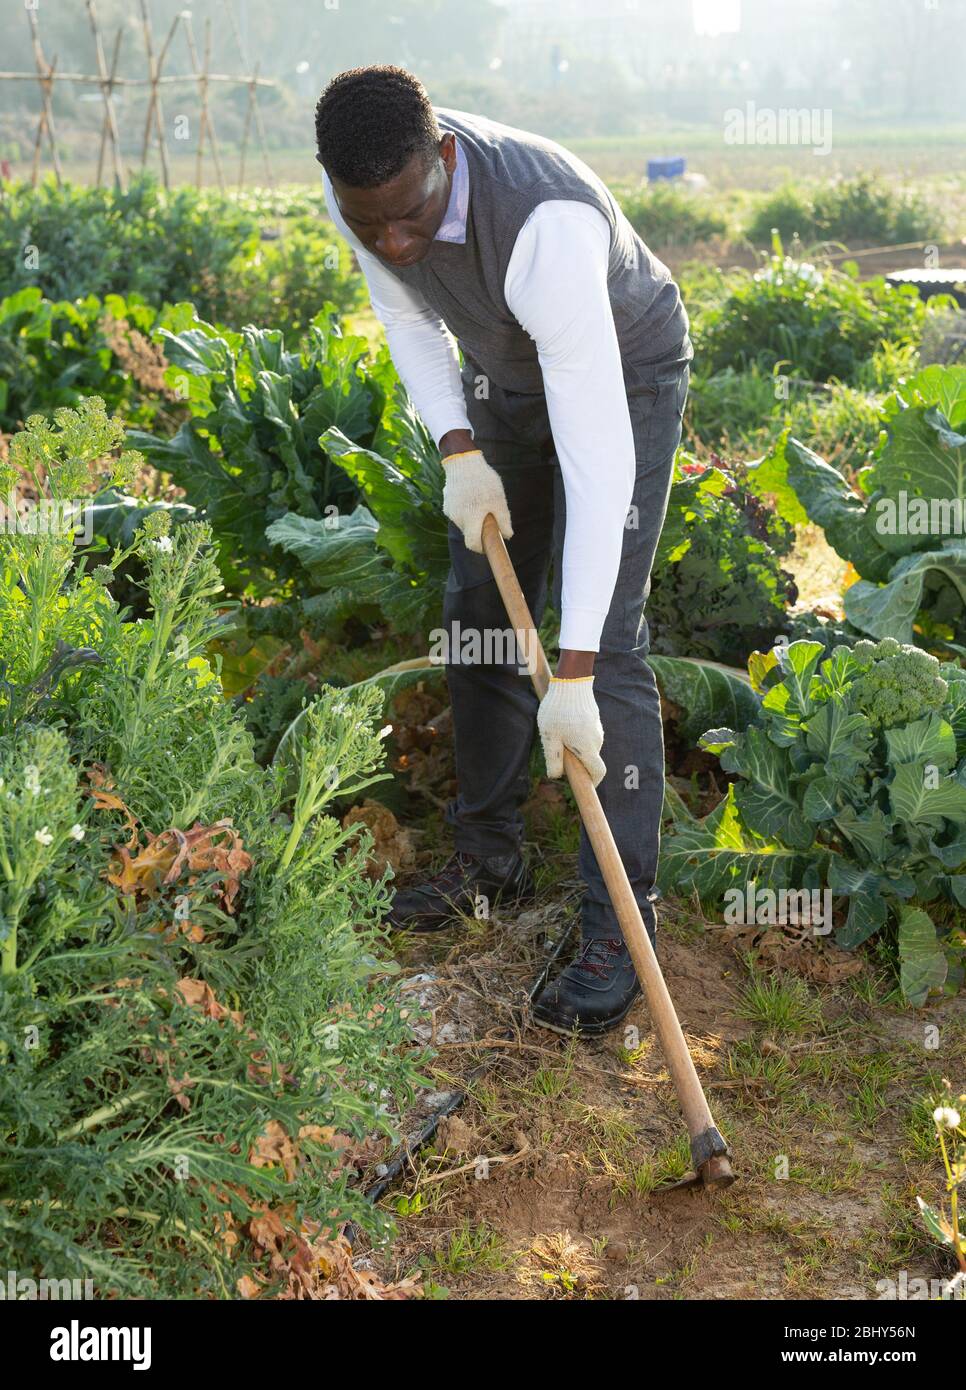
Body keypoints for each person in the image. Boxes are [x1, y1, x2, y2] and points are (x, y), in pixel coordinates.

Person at [315, 65, 691, 1035]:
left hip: (623, 369)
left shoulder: (545, 226)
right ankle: (487, 859)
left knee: (607, 640)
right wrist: (458, 448)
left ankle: (618, 924)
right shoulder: (359, 190)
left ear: (444, 159)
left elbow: (599, 460)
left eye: (407, 215)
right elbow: (407, 317)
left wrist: (569, 667)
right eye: (371, 224)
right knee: (481, 603)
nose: (391, 239)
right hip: (499, 378)